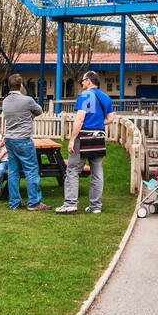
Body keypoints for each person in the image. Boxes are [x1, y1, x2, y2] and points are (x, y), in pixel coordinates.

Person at [58, 70, 114, 214]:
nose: (81, 83)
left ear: (89, 81)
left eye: (82, 80)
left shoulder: (84, 96)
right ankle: (95, 206)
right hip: (99, 136)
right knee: (97, 172)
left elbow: (80, 119)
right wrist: (96, 122)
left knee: (72, 170)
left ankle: (70, 203)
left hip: (83, 136)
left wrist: (71, 140)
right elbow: (110, 119)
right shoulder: (106, 98)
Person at [1, 74, 48, 211]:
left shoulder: (5, 101)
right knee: (31, 170)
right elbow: (39, 110)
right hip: (23, 139)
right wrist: (30, 116)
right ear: (21, 85)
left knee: (13, 171)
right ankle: (34, 202)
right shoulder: (27, 100)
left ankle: (14, 201)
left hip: (9, 138)